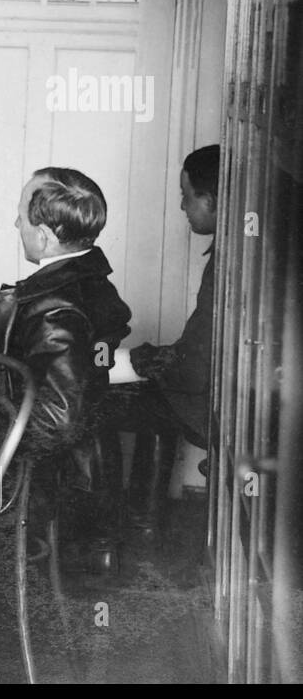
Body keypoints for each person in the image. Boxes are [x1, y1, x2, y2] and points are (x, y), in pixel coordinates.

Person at [0, 167, 132, 566]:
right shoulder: (90, 284)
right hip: (77, 473)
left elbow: (57, 419)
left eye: (21, 213)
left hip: (42, 488)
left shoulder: (54, 308)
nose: (15, 222)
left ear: (44, 235)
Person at [118, 145, 219, 543]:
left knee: (108, 402)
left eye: (186, 195)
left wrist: (147, 362)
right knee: (153, 394)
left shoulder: (228, 261)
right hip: (226, 390)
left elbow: (196, 364)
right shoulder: (244, 248)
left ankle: (118, 534)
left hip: (220, 399)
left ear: (209, 201)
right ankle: (145, 524)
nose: (182, 206)